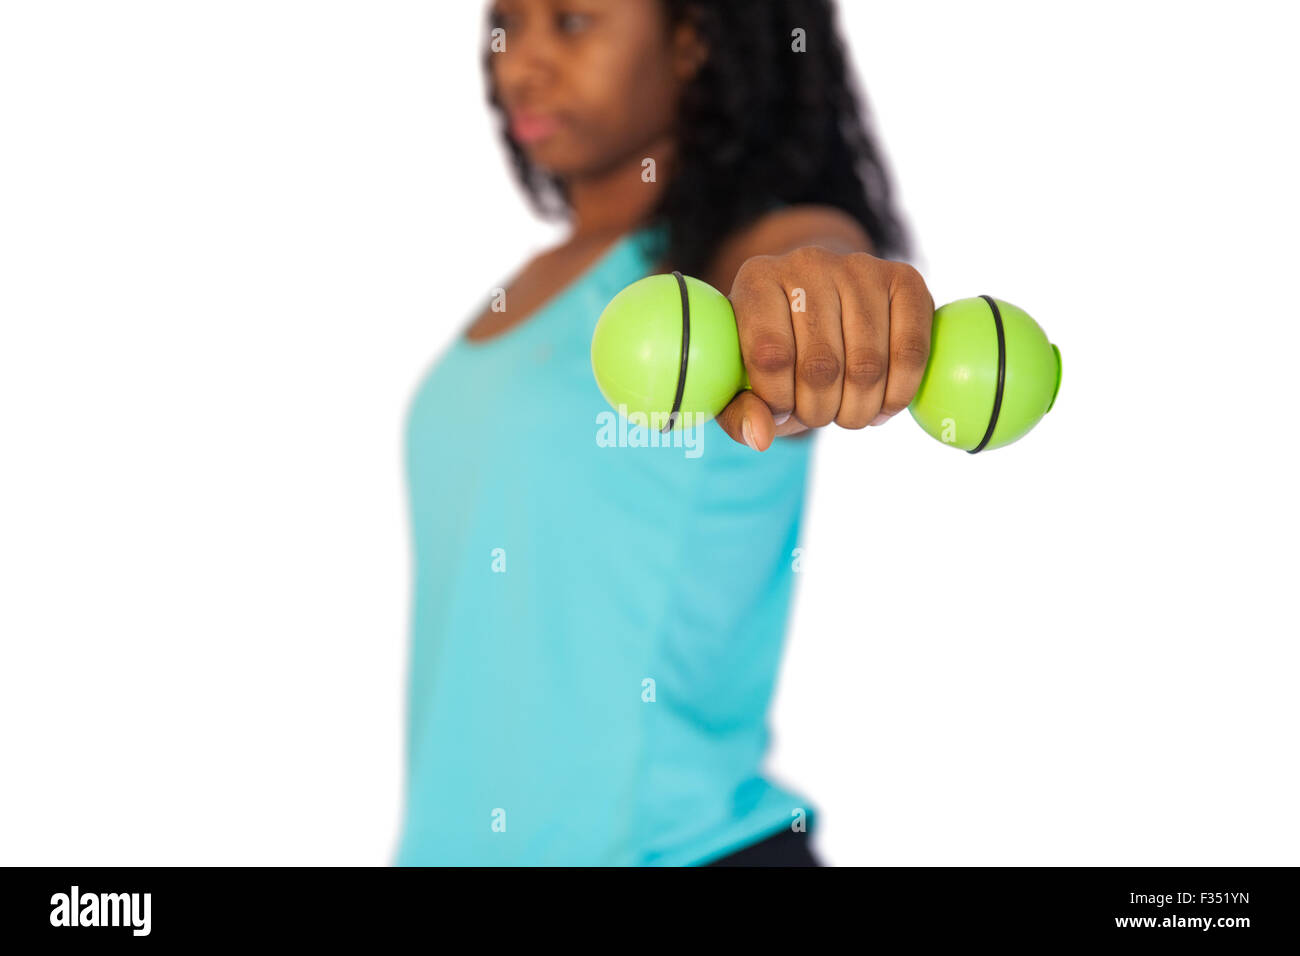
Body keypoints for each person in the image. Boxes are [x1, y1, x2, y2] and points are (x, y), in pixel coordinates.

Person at [396, 0, 934, 866]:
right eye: (507, 24)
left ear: (691, 43)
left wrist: (827, 295)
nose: (521, 63)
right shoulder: (531, 285)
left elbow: (802, 268)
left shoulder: (728, 265)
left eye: (572, 23)